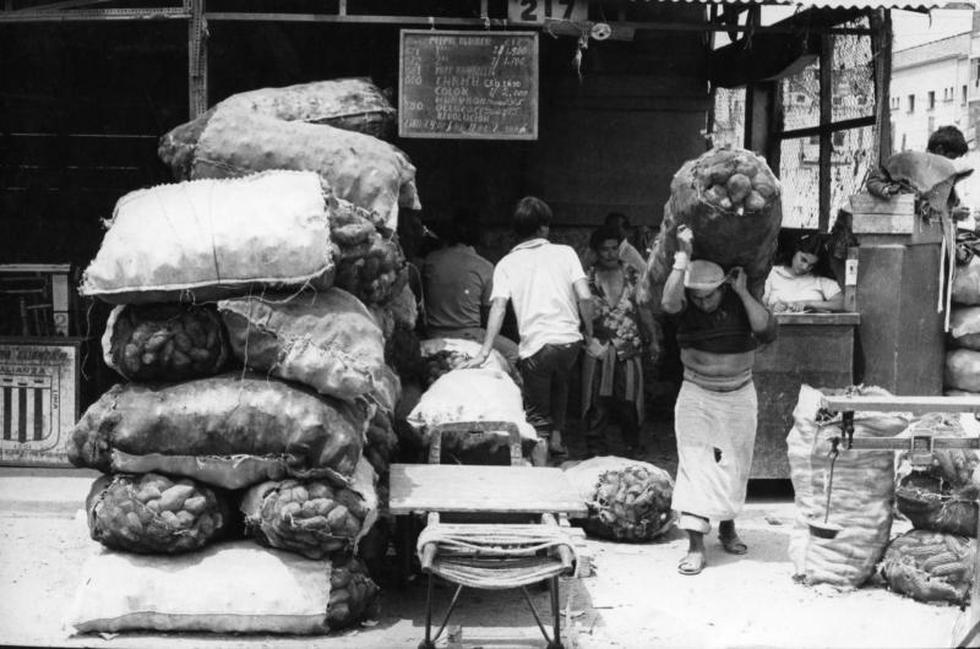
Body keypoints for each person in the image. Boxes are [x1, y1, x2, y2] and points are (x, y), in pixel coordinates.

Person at [661, 224, 777, 576]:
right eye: (696, 296)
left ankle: (727, 526)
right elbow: (668, 301)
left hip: (739, 394)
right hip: (696, 393)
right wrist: (682, 256)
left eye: (708, 295)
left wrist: (741, 293)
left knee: (735, 463)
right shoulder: (686, 303)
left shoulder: (740, 299)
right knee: (695, 464)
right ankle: (696, 545)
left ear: (722, 287)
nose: (702, 301)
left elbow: (767, 330)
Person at [464, 196, 596, 463]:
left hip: (537, 346)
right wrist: (589, 333)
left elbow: (498, 308)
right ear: (545, 228)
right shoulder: (566, 252)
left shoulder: (506, 264)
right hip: (570, 342)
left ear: (516, 231)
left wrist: (485, 350)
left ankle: (542, 464)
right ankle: (558, 440)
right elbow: (584, 296)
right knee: (561, 384)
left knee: (537, 413)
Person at [581, 225, 655, 458]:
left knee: (630, 400)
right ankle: (595, 449)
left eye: (615, 248)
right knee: (596, 401)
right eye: (605, 249)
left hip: (628, 347)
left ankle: (633, 445)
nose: (611, 254)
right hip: (598, 347)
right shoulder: (586, 277)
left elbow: (643, 308)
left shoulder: (632, 274)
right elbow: (576, 312)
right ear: (596, 251)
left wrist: (653, 340)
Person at [421, 209, 519, 365]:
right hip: (470, 335)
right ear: (479, 236)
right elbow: (489, 316)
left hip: (433, 334)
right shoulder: (484, 266)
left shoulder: (431, 260)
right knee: (514, 353)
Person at [763, 233, 844, 313]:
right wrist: (772, 307)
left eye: (811, 265)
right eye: (803, 260)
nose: (805, 267)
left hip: (812, 325)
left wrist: (808, 304)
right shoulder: (772, 273)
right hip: (777, 325)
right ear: (795, 251)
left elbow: (841, 304)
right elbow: (759, 304)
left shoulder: (818, 278)